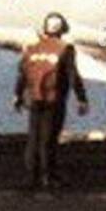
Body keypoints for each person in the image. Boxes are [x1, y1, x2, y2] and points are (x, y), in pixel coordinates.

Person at [14, 12, 89, 188]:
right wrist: (82, 98)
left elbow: (22, 74)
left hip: (34, 99)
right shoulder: (65, 49)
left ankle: (31, 178)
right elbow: (72, 76)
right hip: (54, 100)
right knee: (49, 139)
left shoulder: (32, 48)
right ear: (62, 30)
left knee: (34, 138)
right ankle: (49, 177)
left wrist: (17, 96)